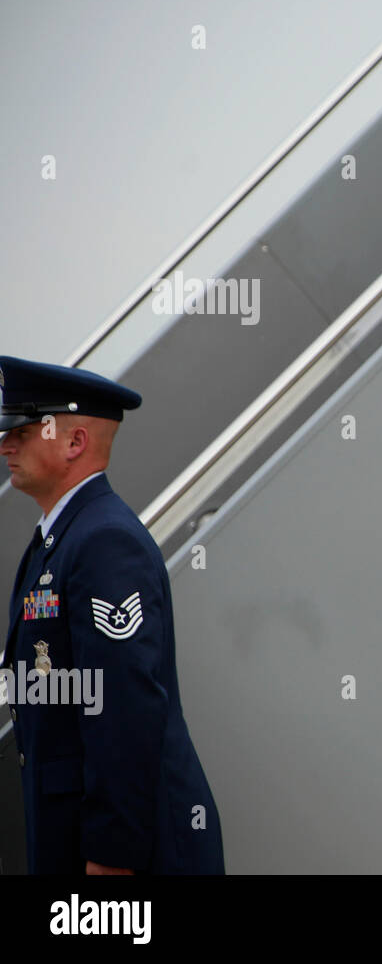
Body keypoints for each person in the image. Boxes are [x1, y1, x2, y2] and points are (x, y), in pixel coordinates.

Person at [0, 356, 224, 874]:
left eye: (25, 432)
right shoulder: (61, 539)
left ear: (75, 442)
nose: (7, 445)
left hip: (123, 858)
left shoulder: (102, 541)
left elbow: (124, 705)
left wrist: (110, 854)